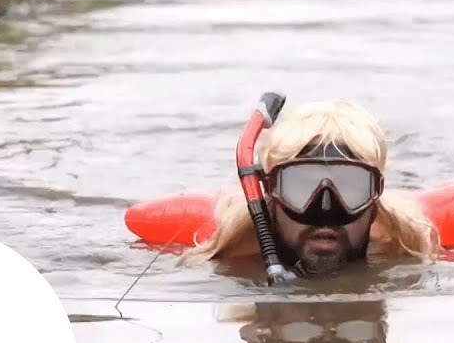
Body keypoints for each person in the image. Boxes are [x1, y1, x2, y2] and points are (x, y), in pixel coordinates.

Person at [181, 98, 439, 278]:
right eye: (301, 186)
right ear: (271, 195)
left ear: (374, 203)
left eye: (350, 187)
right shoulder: (231, 266)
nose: (325, 208)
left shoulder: (403, 258)